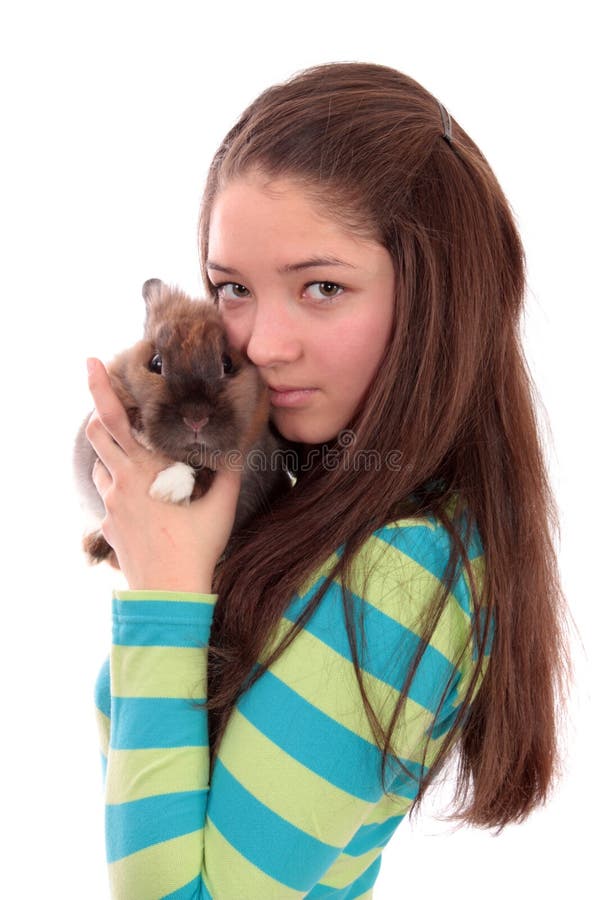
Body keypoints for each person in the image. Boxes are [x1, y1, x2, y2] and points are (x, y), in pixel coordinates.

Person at [85, 62, 572, 899]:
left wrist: (164, 588)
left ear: (436, 300)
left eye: (322, 287)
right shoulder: (310, 493)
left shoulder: (399, 577)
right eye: (232, 287)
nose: (262, 343)